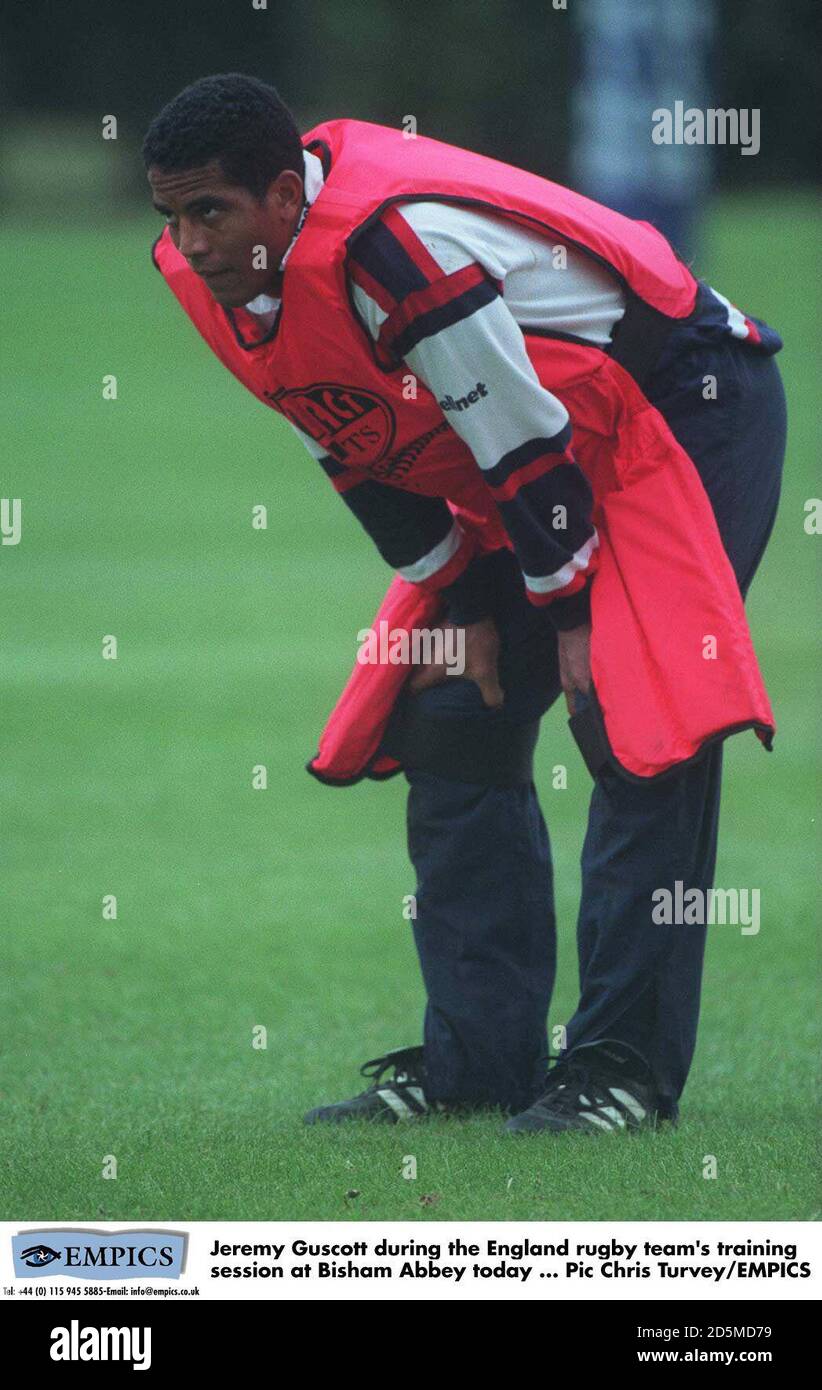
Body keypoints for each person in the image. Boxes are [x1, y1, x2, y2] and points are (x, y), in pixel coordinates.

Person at [143, 74, 786, 1134]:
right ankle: (479, 1063)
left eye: (211, 212)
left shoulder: (398, 249)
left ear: (282, 194)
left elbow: (517, 429)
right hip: (526, 439)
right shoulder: (211, 273)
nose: (191, 243)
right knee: (453, 715)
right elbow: (342, 434)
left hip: (677, 402)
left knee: (631, 723)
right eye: (171, 217)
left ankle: (618, 1069)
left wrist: (573, 618)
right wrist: (460, 594)